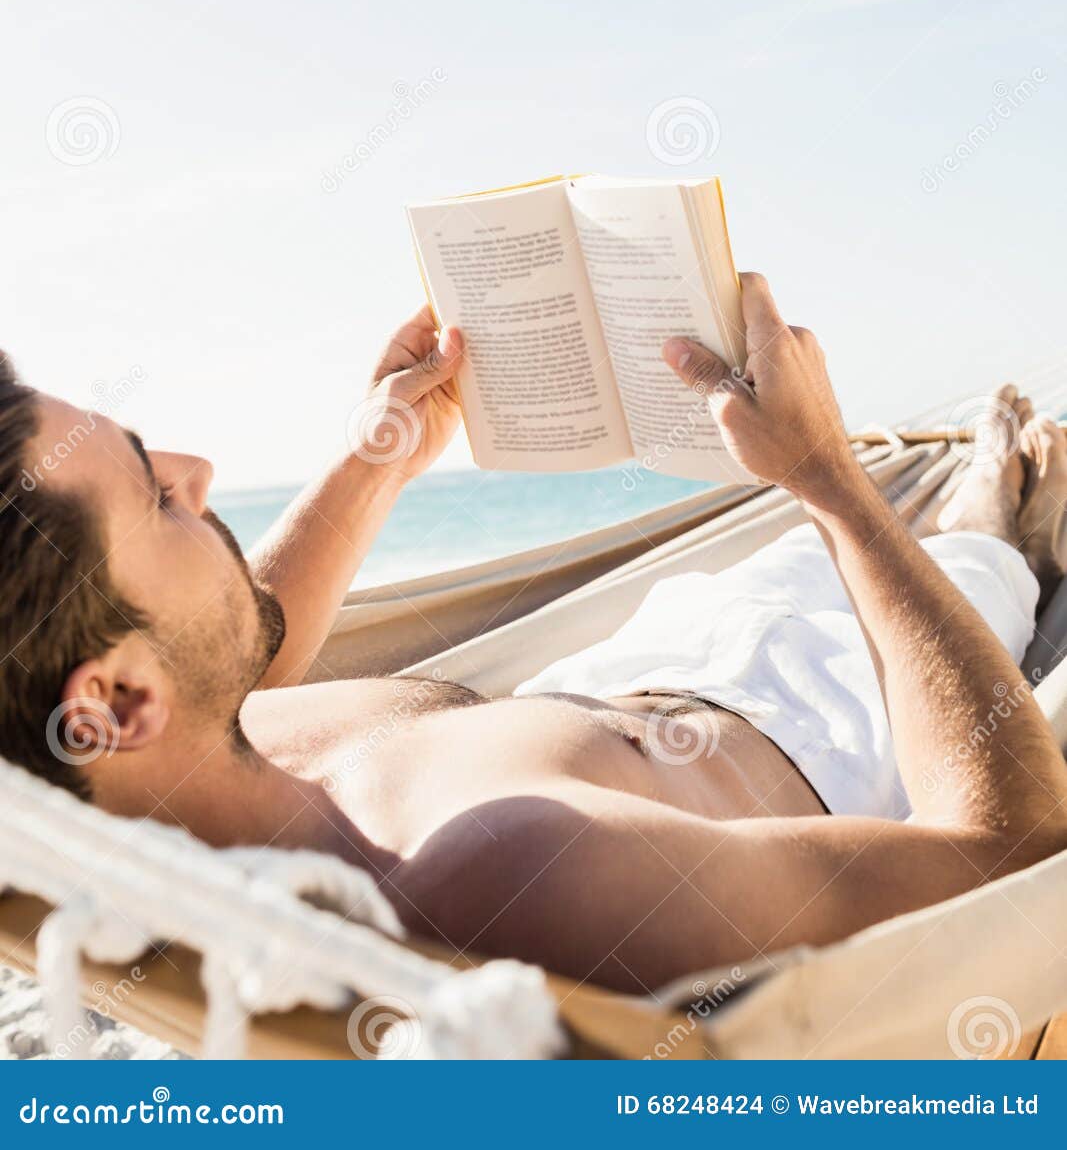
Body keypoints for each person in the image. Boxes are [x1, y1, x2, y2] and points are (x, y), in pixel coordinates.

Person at [2, 275, 1066, 993]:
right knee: (981, 544)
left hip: (652, 670)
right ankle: (1000, 513)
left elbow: (240, 640)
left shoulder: (154, 773)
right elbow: (1008, 858)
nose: (196, 469)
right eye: (156, 495)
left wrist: (380, 450)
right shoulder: (508, 872)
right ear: (117, 701)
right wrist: (823, 476)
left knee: (834, 547)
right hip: (833, 721)